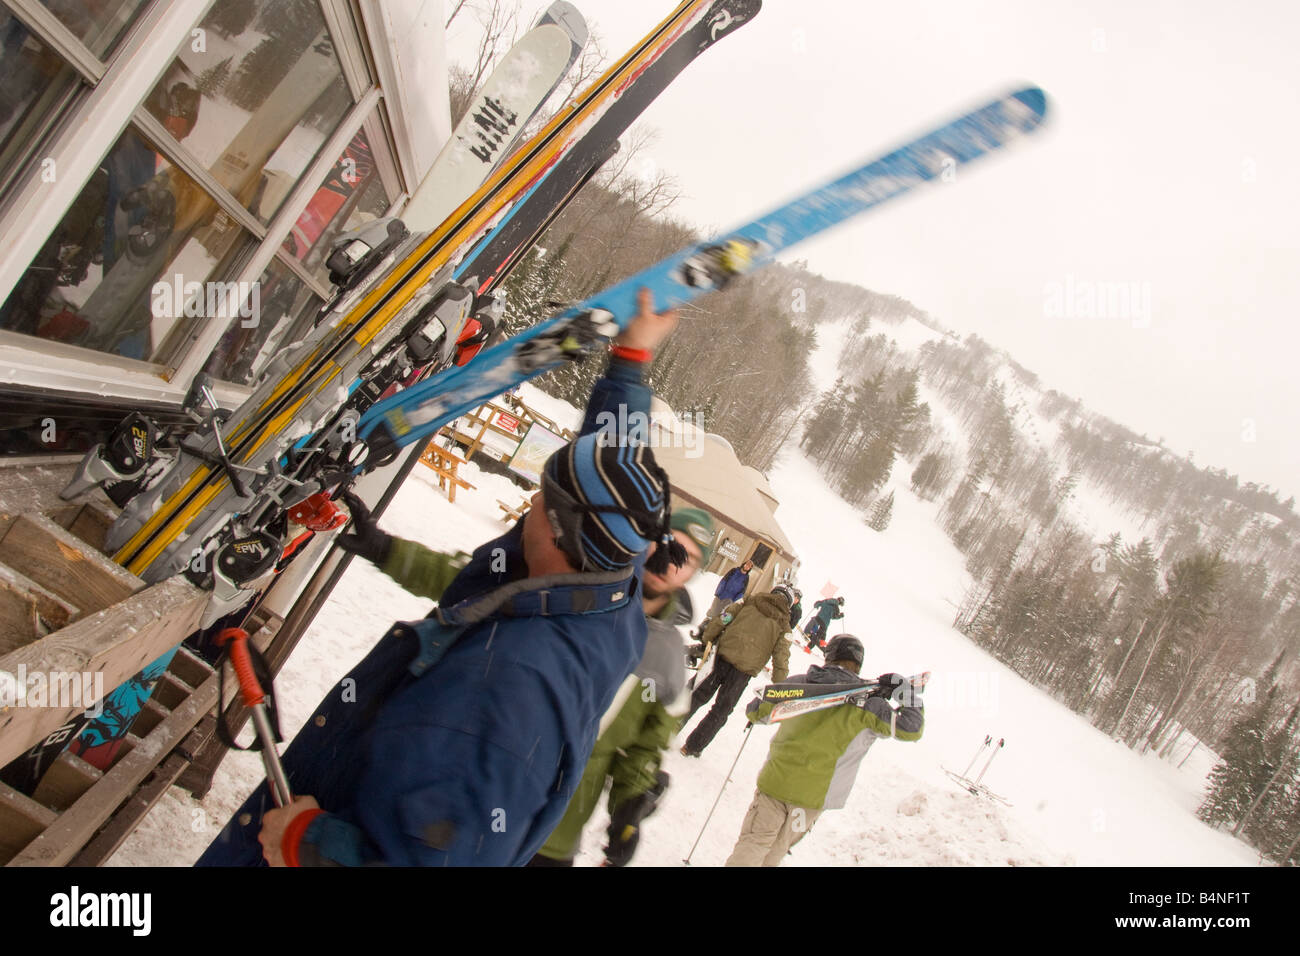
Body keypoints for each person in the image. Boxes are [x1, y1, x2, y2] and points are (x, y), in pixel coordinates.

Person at [196, 289, 683, 867]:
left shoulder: (502, 688)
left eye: (539, 496)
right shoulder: (609, 591)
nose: (528, 500)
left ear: (555, 526)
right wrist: (630, 364)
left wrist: (308, 845)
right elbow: (608, 471)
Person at [529, 507, 716, 867]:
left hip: (555, 831)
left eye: (687, 558)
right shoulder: (579, 585)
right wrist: (390, 551)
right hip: (486, 788)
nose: (670, 562)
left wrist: (628, 813)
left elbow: (644, 749)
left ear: (693, 573)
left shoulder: (668, 657)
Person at [726, 635, 923, 866]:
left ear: (829, 656)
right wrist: (905, 693)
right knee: (778, 849)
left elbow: (757, 711)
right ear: (858, 664)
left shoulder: (800, 684)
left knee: (754, 845)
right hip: (812, 801)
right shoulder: (871, 705)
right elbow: (912, 729)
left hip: (776, 786)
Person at [679, 587, 791, 757]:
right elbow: (781, 657)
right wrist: (779, 684)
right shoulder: (784, 625)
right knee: (720, 710)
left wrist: (708, 637)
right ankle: (692, 746)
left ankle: (671, 725)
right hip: (742, 673)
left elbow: (725, 617)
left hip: (722, 658)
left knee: (697, 693)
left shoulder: (749, 600)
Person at [704, 558, 753, 625]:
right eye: (747, 564)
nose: (747, 566)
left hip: (730, 599)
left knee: (724, 616)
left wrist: (734, 601)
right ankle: (704, 624)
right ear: (744, 564)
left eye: (749, 566)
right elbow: (724, 580)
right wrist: (718, 592)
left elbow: (742, 591)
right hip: (721, 595)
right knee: (713, 611)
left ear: (750, 569)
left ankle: (714, 628)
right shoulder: (734, 570)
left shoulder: (746, 578)